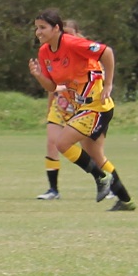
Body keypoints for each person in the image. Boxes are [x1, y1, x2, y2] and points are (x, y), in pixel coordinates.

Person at [30, 8, 132, 211]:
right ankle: (126, 200)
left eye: (43, 27)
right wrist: (38, 75)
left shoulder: (72, 42)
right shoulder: (44, 53)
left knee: (62, 143)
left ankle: (101, 177)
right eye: (36, 28)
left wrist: (109, 84)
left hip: (97, 106)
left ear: (56, 28)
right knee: (95, 155)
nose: (38, 32)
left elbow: (107, 52)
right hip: (83, 107)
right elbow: (51, 87)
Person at [35, 18, 81, 199]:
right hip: (60, 105)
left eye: (70, 33)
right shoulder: (51, 54)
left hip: (82, 106)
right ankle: (53, 189)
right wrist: (49, 107)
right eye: (65, 33)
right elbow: (51, 85)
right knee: (52, 143)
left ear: (77, 35)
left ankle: (105, 182)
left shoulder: (84, 52)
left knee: (91, 149)